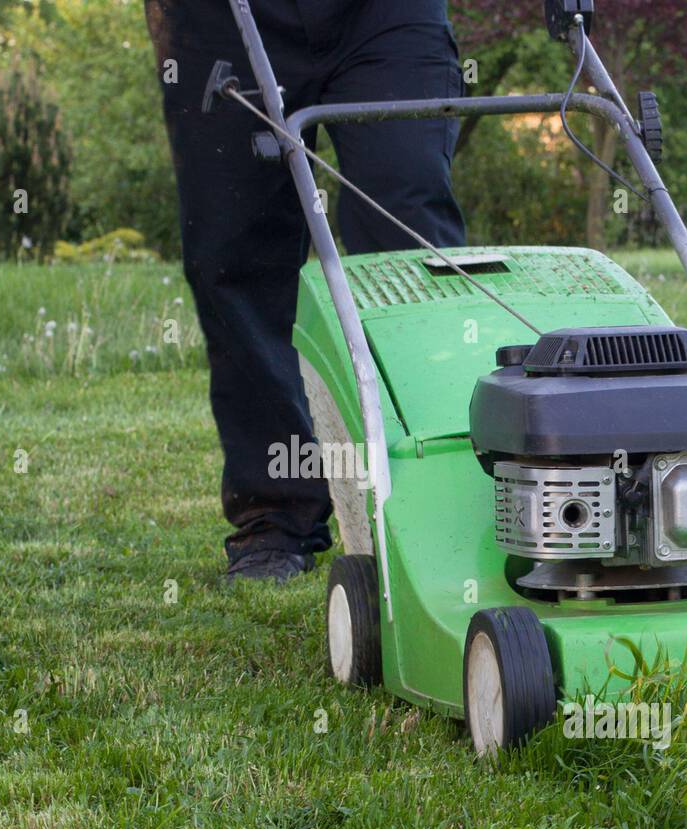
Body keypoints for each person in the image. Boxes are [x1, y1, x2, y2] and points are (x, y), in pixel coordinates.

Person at [146, 0, 466, 582]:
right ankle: (275, 515)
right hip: (219, 19)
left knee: (408, 232)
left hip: (381, 13)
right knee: (236, 252)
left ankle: (437, 484)